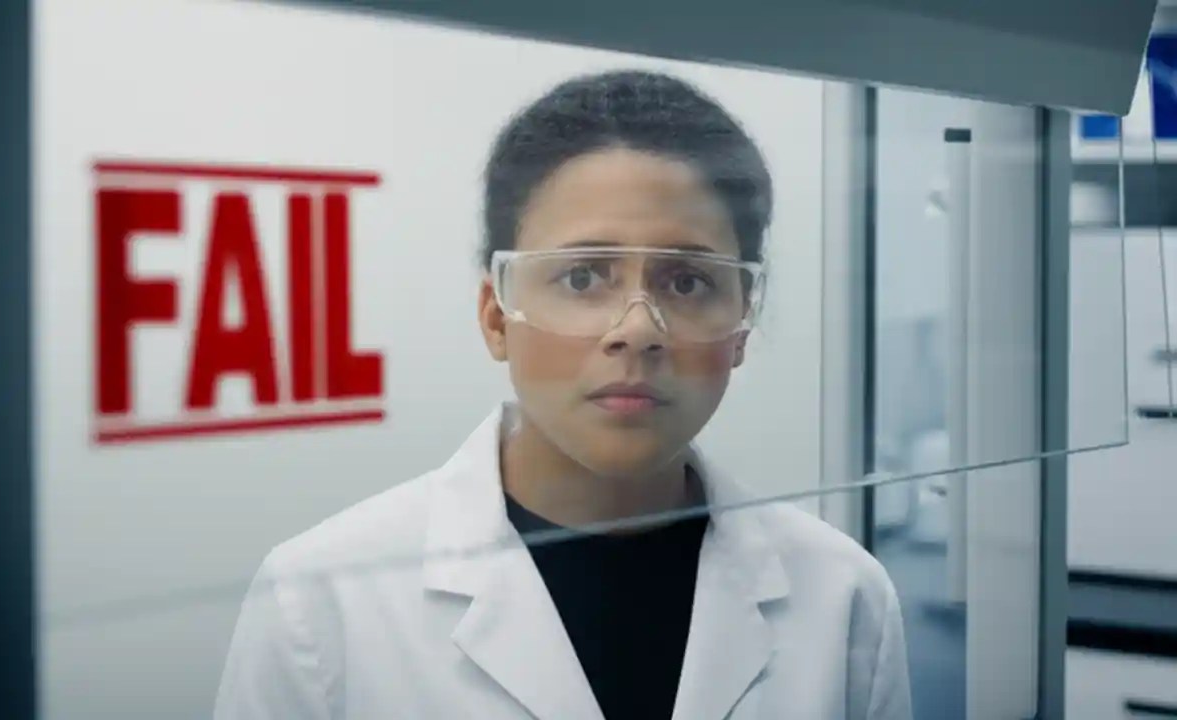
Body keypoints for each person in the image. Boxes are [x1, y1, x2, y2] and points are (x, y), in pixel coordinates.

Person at [215, 70, 912, 720]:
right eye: (583, 278)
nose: (637, 330)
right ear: (496, 317)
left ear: (741, 325)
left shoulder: (842, 594)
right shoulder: (322, 600)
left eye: (687, 281)